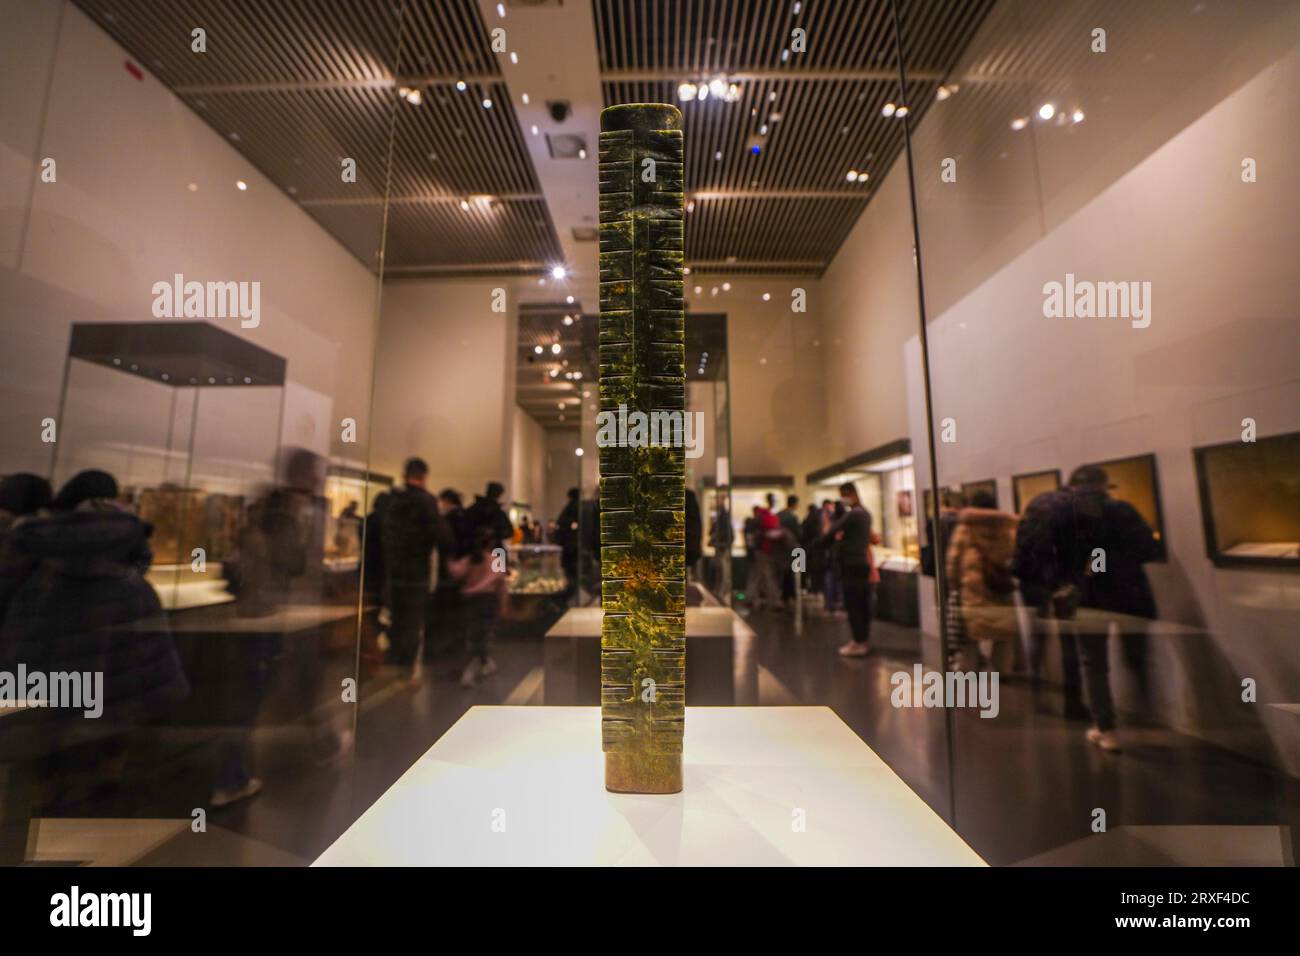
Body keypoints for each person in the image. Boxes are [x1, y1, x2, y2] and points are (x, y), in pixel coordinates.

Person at [1, 470, 189, 810]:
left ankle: (46, 800)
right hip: (109, 678)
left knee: (45, 745)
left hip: (46, 671)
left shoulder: (38, 553)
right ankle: (99, 786)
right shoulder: (127, 568)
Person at [381, 457, 450, 684]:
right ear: (423, 477)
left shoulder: (393, 500)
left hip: (393, 571)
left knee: (397, 621)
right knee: (411, 623)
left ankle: (393, 665)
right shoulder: (426, 501)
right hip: (416, 572)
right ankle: (405, 670)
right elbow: (441, 536)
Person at [944, 490, 1018, 672]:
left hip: (972, 587)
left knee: (971, 635)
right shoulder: (1005, 528)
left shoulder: (965, 529)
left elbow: (953, 559)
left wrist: (953, 583)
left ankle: (968, 669)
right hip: (998, 585)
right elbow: (1011, 553)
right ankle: (1002, 670)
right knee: (1002, 635)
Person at [449, 527, 506, 688]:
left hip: (470, 600)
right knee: (482, 634)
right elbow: (499, 582)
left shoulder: (471, 559)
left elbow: (456, 572)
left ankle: (483, 662)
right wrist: (503, 604)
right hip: (487, 600)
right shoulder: (496, 557)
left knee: (474, 633)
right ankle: (477, 666)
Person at [824, 482, 874, 656]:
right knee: (862, 605)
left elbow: (833, 531)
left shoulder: (854, 514)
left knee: (854, 605)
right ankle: (862, 640)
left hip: (852, 564)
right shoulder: (865, 513)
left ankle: (858, 642)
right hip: (861, 563)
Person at [464, 481, 514, 560]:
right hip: (495, 551)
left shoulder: (473, 509)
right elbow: (508, 531)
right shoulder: (498, 512)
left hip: (475, 552)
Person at [554, 487, 580, 604]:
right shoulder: (575, 508)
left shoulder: (569, 508)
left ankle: (562, 600)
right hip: (573, 549)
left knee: (571, 577)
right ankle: (562, 600)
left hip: (570, 549)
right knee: (573, 578)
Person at [777, 494, 802, 603]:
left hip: (780, 548)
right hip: (792, 547)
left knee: (784, 571)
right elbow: (799, 533)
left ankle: (785, 594)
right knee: (793, 571)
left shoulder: (779, 515)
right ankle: (791, 593)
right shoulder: (792, 517)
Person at [822, 500, 844, 613]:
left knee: (831, 579)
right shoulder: (843, 522)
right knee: (836, 579)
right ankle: (837, 602)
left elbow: (825, 537)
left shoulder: (832, 523)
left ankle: (831, 603)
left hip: (832, 555)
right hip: (837, 556)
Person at [801, 502, 824, 596]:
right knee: (815, 570)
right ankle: (815, 588)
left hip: (806, 549)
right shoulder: (818, 521)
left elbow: (802, 535)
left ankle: (807, 588)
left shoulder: (806, 520)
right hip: (816, 549)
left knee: (806, 570)